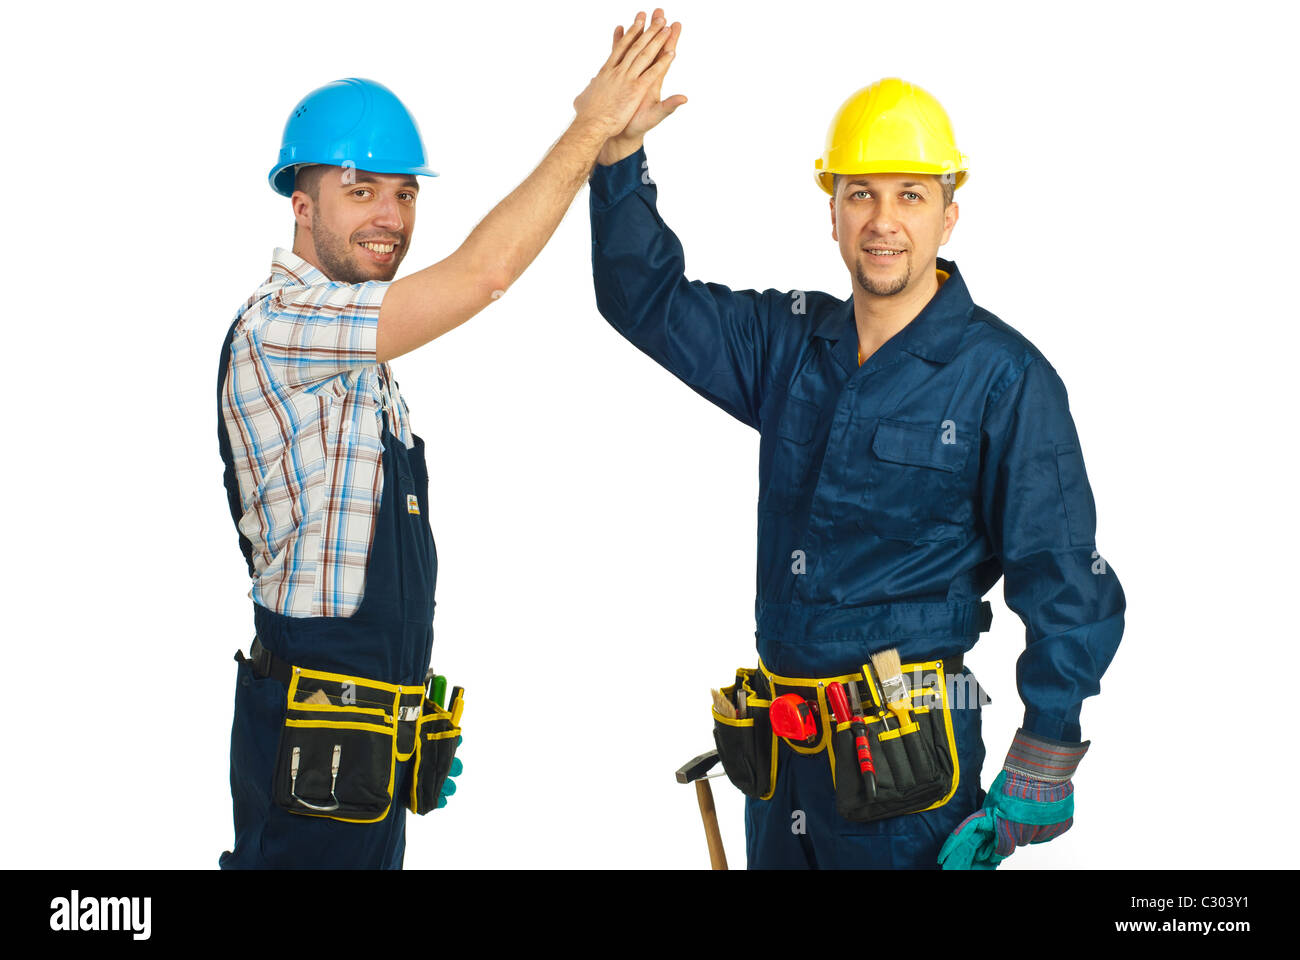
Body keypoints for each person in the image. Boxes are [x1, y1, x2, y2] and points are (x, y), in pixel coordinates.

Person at [588, 35, 1125, 868]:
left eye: (910, 195)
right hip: (781, 772)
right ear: (830, 207)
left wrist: (1041, 760)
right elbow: (643, 301)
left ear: (949, 213)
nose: (883, 221)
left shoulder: (1005, 379)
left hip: (906, 782)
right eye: (860, 193)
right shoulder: (787, 343)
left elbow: (1066, 580)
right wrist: (619, 155)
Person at [217, 13, 679, 868]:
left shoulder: (368, 365)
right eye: (361, 191)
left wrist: (399, 715)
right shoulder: (281, 325)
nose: (390, 215)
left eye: (405, 192)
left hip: (355, 757)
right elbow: (484, 275)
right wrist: (591, 132)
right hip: (307, 757)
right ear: (300, 201)